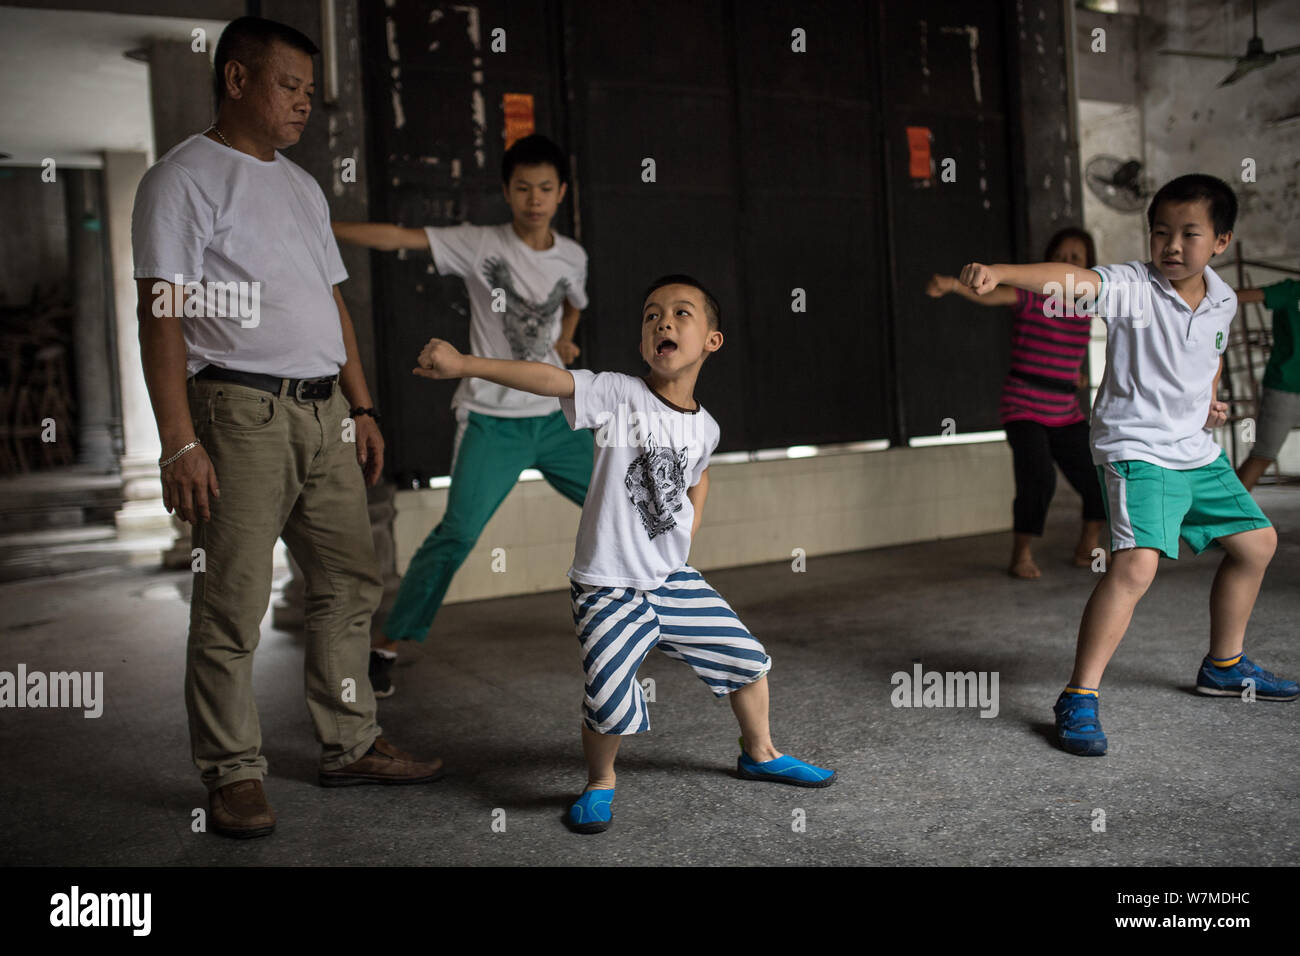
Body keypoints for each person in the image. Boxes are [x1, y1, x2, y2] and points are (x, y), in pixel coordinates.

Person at [132, 16, 442, 839]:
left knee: (348, 584)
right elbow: (159, 316)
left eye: (311, 89)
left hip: (324, 410)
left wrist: (363, 405)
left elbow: (330, 303)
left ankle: (350, 742)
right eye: (288, 86)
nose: (305, 102)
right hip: (237, 411)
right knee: (232, 601)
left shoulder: (303, 187)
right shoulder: (182, 180)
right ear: (236, 80)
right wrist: (178, 441)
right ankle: (232, 773)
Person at [411, 275, 836, 832]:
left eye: (682, 314)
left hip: (673, 579)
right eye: (652, 315)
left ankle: (760, 754)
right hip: (607, 586)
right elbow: (547, 378)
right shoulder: (617, 394)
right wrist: (467, 364)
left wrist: (692, 526)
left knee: (747, 660)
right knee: (609, 700)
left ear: (712, 340)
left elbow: (699, 475)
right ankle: (600, 780)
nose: (664, 321)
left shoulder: (706, 426)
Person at [958, 174, 1297, 757]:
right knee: (1136, 566)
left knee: (1258, 544)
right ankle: (1078, 696)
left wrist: (1208, 399)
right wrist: (1004, 272)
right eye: (1160, 231)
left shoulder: (1219, 297)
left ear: (1221, 241)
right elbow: (1073, 279)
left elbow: (1208, 354)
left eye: (1189, 233)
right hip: (1135, 448)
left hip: (1193, 448)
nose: (1171, 244)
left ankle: (1224, 665)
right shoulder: (1134, 285)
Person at [332, 134, 593, 697]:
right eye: (522, 188)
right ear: (506, 191)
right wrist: (325, 229)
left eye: (546, 188)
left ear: (561, 193)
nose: (534, 198)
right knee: (457, 533)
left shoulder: (573, 255)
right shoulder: (480, 244)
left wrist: (566, 342)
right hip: (491, 419)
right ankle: (389, 644)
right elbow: (396, 238)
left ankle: (667, 615)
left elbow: (575, 300)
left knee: (620, 499)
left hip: (556, 417)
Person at [927, 226, 1106, 578]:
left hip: (1065, 409)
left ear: (1087, 267)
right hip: (1023, 405)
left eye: (1076, 259)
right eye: (1061, 257)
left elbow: (1069, 350)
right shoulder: (1031, 296)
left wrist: (1077, 375)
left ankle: (1088, 546)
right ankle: (1021, 554)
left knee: (1099, 475)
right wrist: (951, 284)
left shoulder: (1088, 305)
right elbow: (990, 295)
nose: (1067, 263)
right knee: (1038, 478)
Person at [1233, 277, 1300, 490]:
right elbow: (1234, 297)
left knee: (1263, 455)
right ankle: (1225, 515)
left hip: (1284, 384)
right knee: (1264, 454)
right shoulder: (1292, 291)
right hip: (1284, 384)